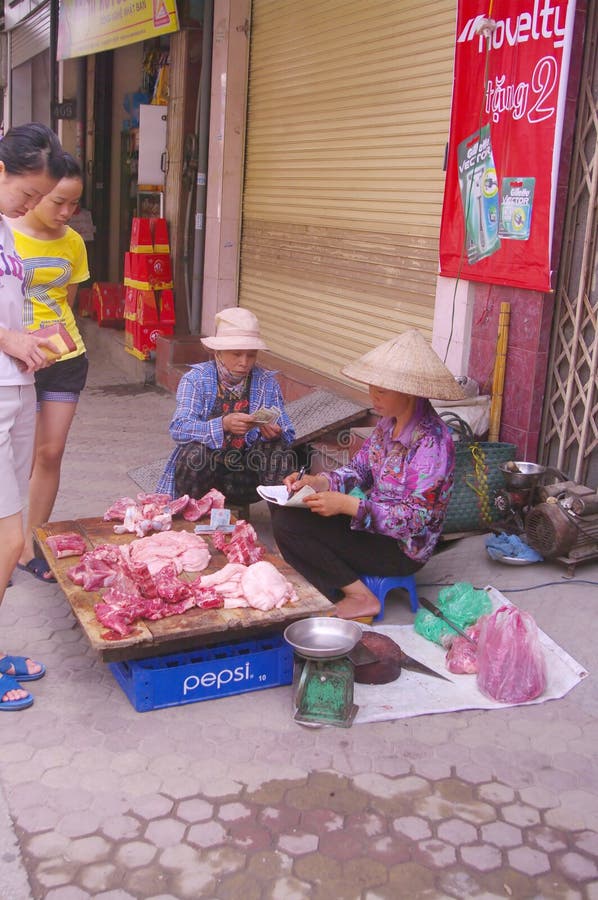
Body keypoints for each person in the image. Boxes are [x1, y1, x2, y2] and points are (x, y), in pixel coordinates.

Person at [270, 329, 465, 622]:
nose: (373, 396)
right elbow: (360, 469)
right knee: (285, 506)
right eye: (372, 387)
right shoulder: (387, 424)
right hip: (371, 525)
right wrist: (317, 482)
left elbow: (415, 520)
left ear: (408, 392)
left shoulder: (432, 443)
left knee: (290, 525)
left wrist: (348, 506)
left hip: (401, 549)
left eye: (382, 391)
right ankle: (330, 579)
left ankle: (360, 596)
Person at [0, 123, 67, 709]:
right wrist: (9, 338)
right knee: (9, 539)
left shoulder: (4, 228)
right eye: (28, 193)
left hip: (16, 388)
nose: (31, 206)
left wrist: (30, 337)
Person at [10, 153, 90, 582]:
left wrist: (54, 342)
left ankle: (29, 544)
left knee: (50, 452)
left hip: (63, 360)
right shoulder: (6, 234)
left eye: (74, 204)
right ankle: (6, 544)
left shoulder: (73, 242)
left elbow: (66, 302)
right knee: (11, 457)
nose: (65, 212)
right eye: (58, 201)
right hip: (12, 360)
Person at [158, 306, 296, 506]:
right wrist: (222, 424)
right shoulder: (196, 379)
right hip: (203, 477)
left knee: (279, 448)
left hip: (244, 479)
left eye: (251, 355)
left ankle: (282, 516)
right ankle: (193, 513)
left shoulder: (266, 382)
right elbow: (179, 428)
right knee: (195, 453)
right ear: (219, 353)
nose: (244, 362)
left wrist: (275, 433)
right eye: (236, 354)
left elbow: (288, 432)